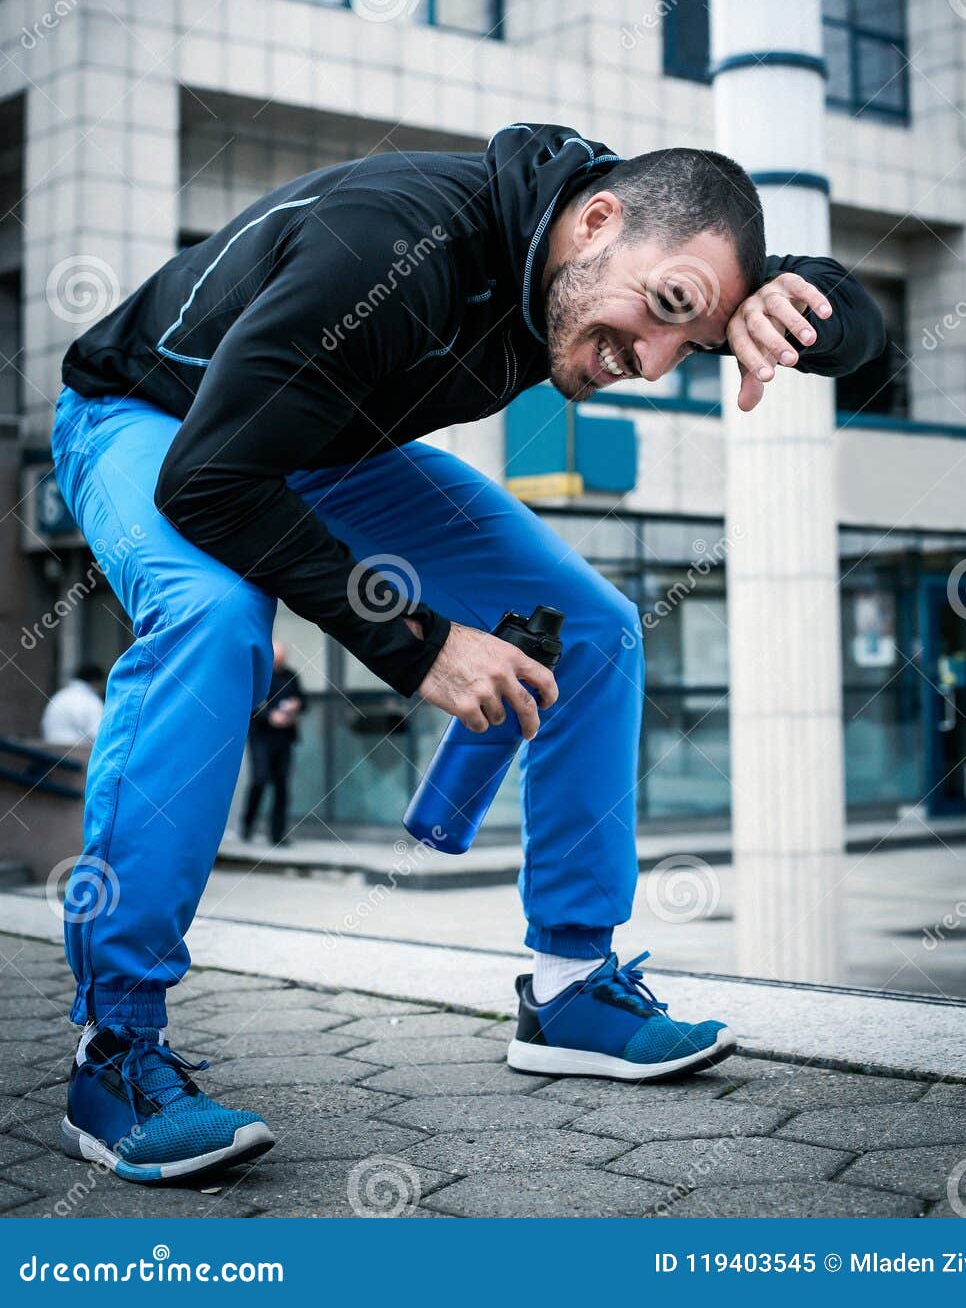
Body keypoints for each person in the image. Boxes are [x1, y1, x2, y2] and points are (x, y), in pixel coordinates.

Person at [50, 127, 884, 1181]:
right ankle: (115, 1047)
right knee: (213, 619)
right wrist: (423, 646)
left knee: (593, 627)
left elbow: (862, 333)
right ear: (596, 222)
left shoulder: (643, 254)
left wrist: (799, 303)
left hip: (329, 447)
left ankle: (569, 988)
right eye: (666, 312)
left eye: (695, 343)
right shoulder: (386, 246)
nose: (652, 360)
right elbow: (210, 482)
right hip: (156, 421)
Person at [240, 640, 305, 847]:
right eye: (276, 658)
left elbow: (303, 700)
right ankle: (247, 825)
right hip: (262, 738)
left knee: (281, 785)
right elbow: (250, 706)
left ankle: (277, 835)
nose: (279, 662)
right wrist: (270, 717)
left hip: (284, 738)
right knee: (259, 780)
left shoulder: (291, 675)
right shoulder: (258, 675)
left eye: (282, 659)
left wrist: (296, 705)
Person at [40, 663, 105, 748]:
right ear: (95, 681)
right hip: (78, 752)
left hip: (48, 750)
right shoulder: (91, 701)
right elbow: (98, 734)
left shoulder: (59, 696)